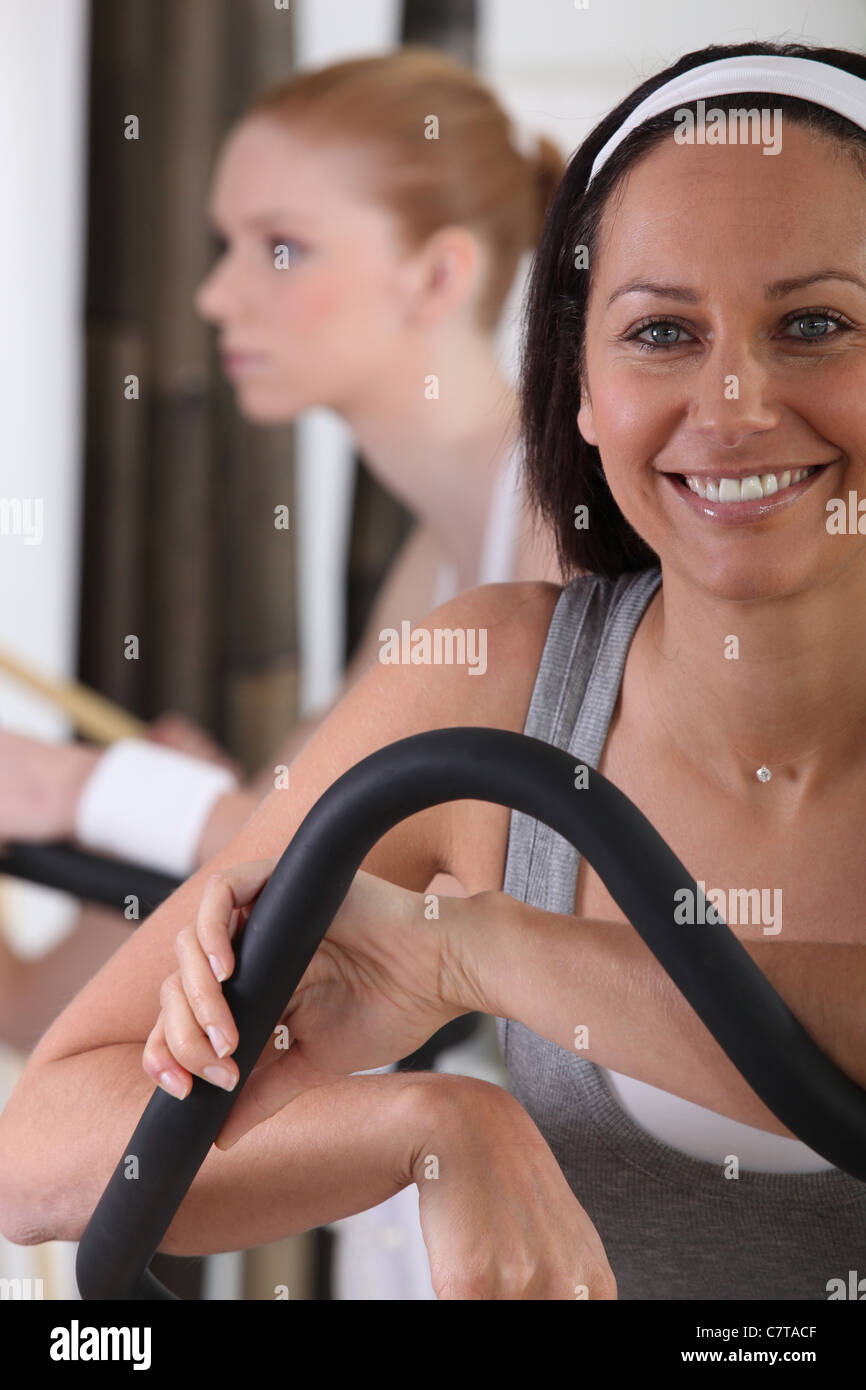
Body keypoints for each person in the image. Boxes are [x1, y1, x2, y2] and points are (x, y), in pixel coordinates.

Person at [4, 37, 866, 1300]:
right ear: (577, 386)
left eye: (812, 323)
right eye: (661, 332)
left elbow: (371, 912)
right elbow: (42, 1147)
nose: (730, 400)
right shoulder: (491, 656)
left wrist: (481, 952)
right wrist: (432, 1129)